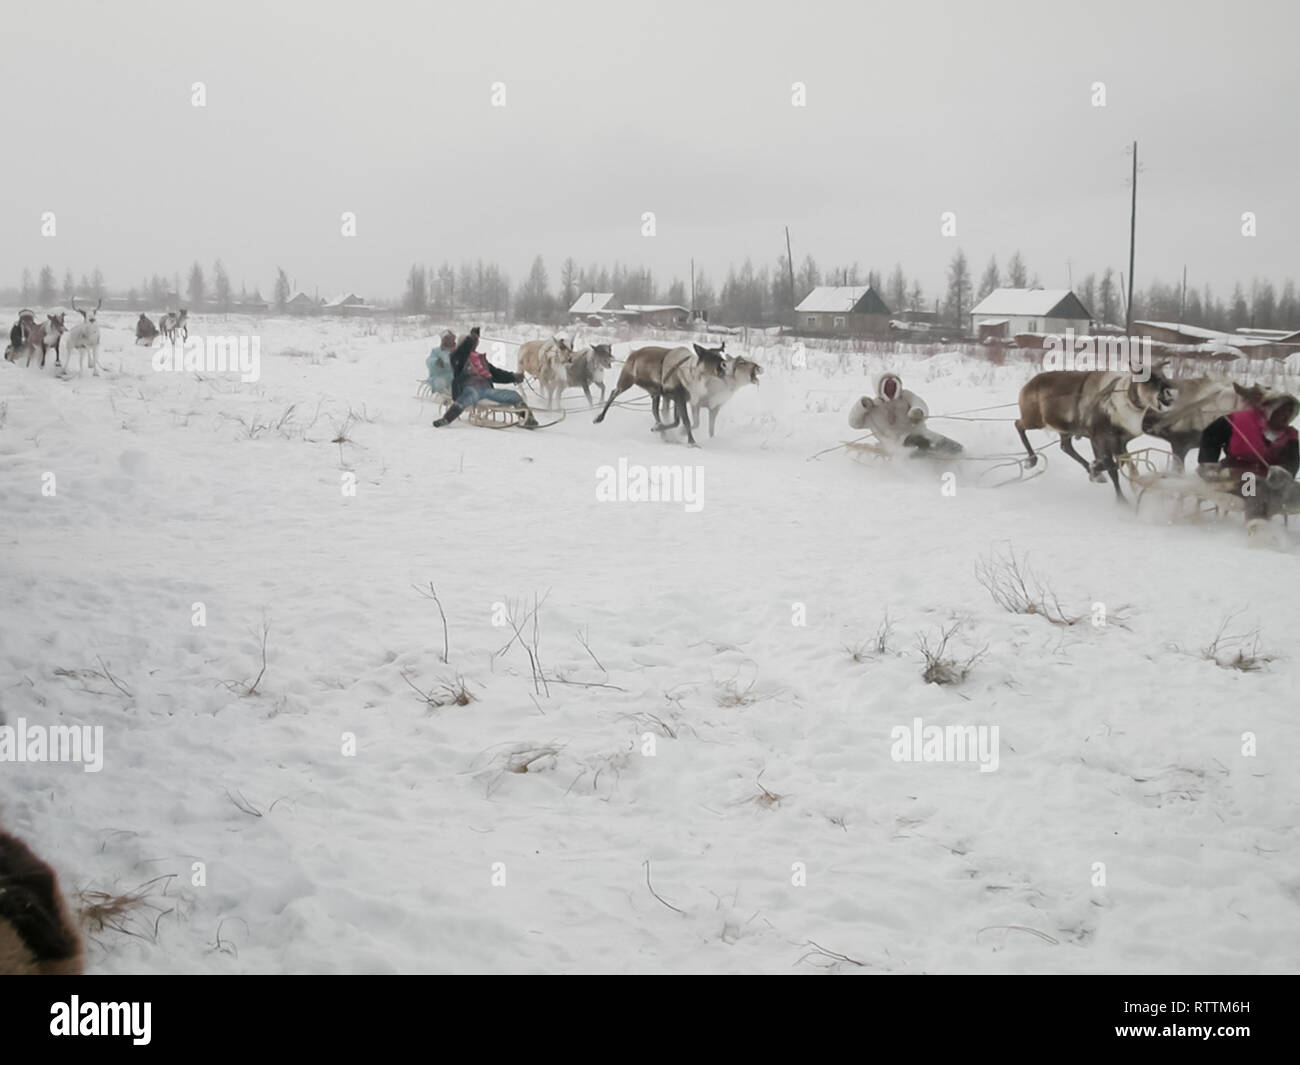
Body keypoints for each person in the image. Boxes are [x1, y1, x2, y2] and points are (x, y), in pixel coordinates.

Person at [1197, 391, 1300, 539]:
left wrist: (1284, 472)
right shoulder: (1239, 421)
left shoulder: (1289, 435)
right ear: (1269, 409)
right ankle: (1258, 525)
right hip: (1236, 473)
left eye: (1289, 413)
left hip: (1270, 478)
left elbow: (1293, 461)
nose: (1285, 416)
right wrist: (1208, 463)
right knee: (1254, 486)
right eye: (1281, 411)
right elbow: (1210, 436)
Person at [433, 327, 540, 429]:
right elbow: (462, 351)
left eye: (474, 343)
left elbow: (496, 373)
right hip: (468, 389)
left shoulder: (480, 359)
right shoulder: (457, 359)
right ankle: (447, 419)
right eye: (470, 343)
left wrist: (512, 376)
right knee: (468, 395)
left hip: (487, 390)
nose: (473, 345)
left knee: (514, 395)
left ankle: (529, 419)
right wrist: (470, 339)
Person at [847, 372, 962, 455]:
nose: (891, 389)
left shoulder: (905, 396)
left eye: (893, 385)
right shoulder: (873, 407)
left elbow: (919, 403)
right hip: (895, 443)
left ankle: (961, 457)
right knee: (921, 442)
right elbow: (854, 423)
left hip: (919, 433)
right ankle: (929, 467)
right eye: (887, 386)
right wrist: (861, 406)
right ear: (880, 388)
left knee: (952, 446)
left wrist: (917, 411)